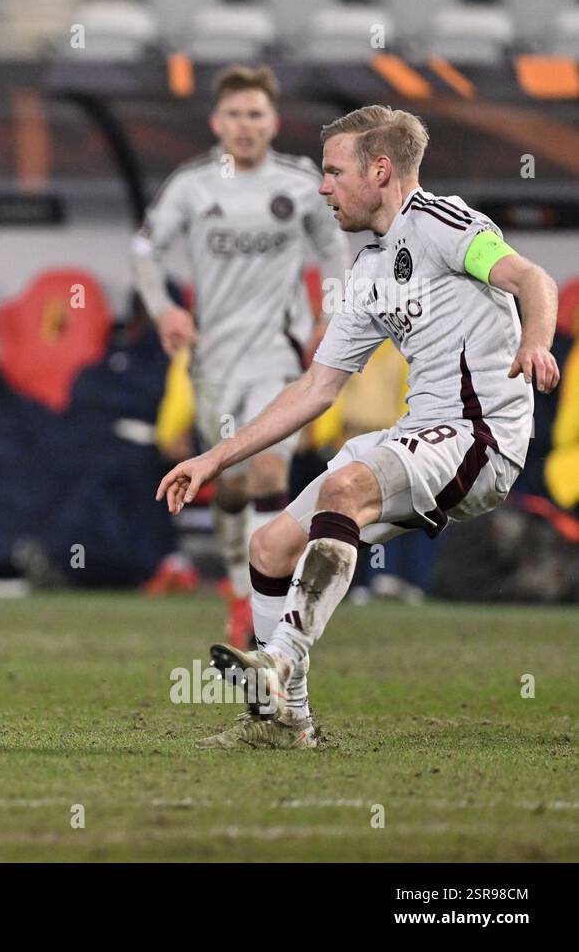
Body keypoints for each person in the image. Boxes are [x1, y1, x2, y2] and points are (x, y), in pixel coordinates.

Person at [157, 104, 560, 749]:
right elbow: (316, 388)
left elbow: (532, 278)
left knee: (345, 487)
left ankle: (282, 657)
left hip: (479, 437)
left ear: (380, 170)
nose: (322, 187)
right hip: (422, 431)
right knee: (269, 548)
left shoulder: (444, 225)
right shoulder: (369, 271)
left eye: (333, 172)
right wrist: (215, 459)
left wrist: (537, 342)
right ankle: (284, 722)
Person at [131, 65, 349, 649]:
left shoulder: (301, 181)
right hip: (213, 361)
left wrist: (330, 312)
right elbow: (145, 247)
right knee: (228, 485)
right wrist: (163, 310)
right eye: (234, 114)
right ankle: (237, 586)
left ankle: (262, 621)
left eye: (256, 114)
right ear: (216, 122)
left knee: (269, 471)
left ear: (273, 122)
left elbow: (334, 248)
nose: (245, 125)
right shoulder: (193, 185)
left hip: (277, 356)